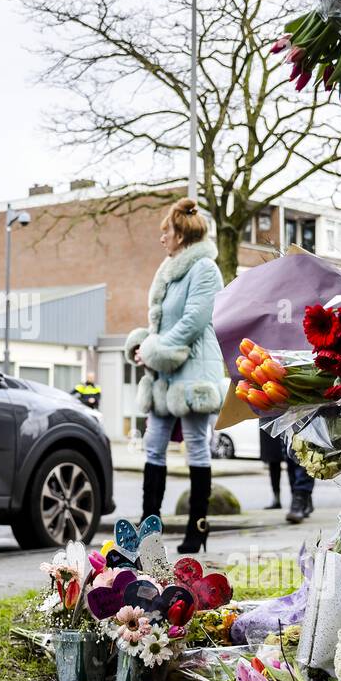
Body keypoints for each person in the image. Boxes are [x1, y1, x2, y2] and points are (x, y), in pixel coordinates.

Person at [124, 197, 226, 555]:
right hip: (166, 373)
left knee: (196, 445)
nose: (161, 237)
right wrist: (144, 345)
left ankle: (198, 526)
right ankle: (148, 524)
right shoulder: (169, 268)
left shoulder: (204, 269)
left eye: (165, 230)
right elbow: (163, 323)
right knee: (153, 444)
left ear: (181, 233)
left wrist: (153, 350)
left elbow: (195, 321)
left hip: (195, 371)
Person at [259, 427, 315, 522]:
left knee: (301, 450)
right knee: (290, 454)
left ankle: (300, 499)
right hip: (279, 416)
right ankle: (300, 499)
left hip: (300, 415)